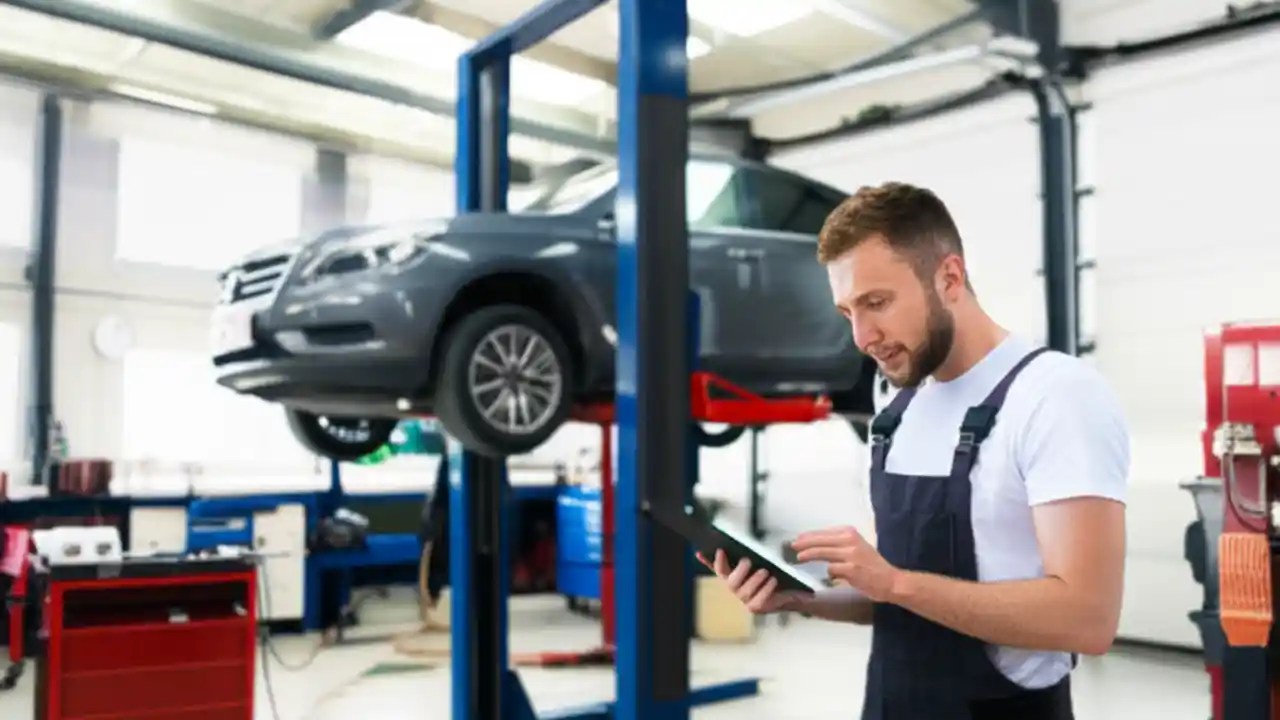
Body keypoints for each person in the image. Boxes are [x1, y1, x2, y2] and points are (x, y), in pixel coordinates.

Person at [700, 181, 1129, 720]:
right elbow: (902, 600)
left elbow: (1087, 620)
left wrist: (895, 581)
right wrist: (802, 599)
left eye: (876, 303)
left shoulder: (1055, 397)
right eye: (847, 312)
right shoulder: (897, 410)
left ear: (949, 277)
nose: (861, 335)